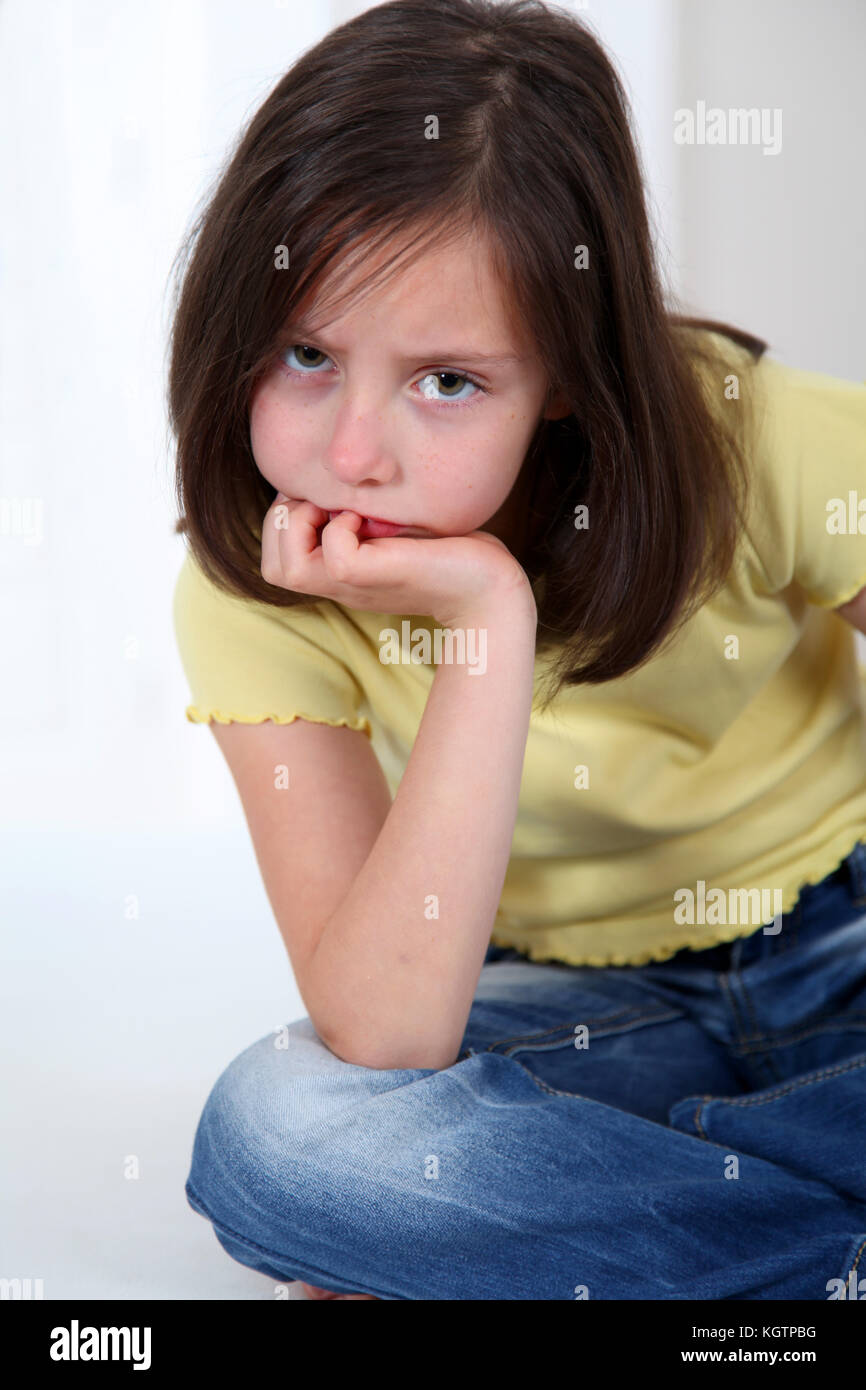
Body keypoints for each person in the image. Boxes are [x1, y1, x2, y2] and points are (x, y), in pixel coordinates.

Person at [167, 0, 866, 1299]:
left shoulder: (760, 442)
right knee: (285, 1137)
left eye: (447, 381)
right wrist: (485, 626)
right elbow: (385, 1032)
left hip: (840, 943)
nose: (355, 450)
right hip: (573, 1011)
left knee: (390, 1228)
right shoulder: (256, 588)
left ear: (565, 375)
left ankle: (615, 1222)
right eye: (305, 353)